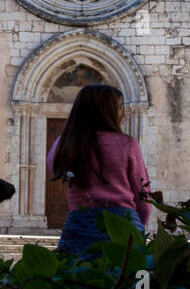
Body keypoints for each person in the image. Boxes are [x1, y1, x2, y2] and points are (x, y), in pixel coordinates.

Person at [47, 84, 150, 256]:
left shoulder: (67, 144)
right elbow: (143, 194)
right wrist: (135, 224)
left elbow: (53, 167)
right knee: (127, 279)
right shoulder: (127, 144)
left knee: (78, 278)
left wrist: (72, 132)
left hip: (79, 225)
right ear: (105, 111)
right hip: (124, 224)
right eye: (118, 108)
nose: (123, 113)